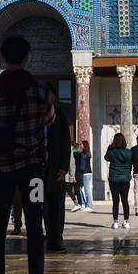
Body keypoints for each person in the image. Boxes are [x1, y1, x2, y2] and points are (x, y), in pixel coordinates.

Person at [0, 35, 56, 274]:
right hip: (33, 169)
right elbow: (49, 119)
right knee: (35, 221)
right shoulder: (42, 90)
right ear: (26, 57)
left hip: (2, 169)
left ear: (1, 58)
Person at [46, 101, 74, 252]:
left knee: (56, 206)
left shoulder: (59, 115)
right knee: (41, 206)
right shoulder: (35, 111)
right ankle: (49, 238)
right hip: (41, 171)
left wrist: (64, 167)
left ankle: (55, 239)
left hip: (55, 171)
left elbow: (65, 143)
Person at [104, 132, 133, 229]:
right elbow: (130, 164)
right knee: (125, 200)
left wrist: (109, 147)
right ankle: (126, 221)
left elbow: (106, 158)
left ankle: (115, 222)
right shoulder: (128, 152)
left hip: (114, 179)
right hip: (125, 179)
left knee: (115, 201)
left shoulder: (112, 152)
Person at [74, 139, 93, 212]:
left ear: (84, 145)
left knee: (87, 190)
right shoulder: (85, 152)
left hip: (85, 173)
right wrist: (75, 148)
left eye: (81, 144)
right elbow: (75, 153)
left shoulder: (84, 153)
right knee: (82, 189)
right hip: (86, 173)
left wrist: (80, 172)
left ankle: (89, 205)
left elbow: (83, 164)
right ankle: (85, 204)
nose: (80, 145)